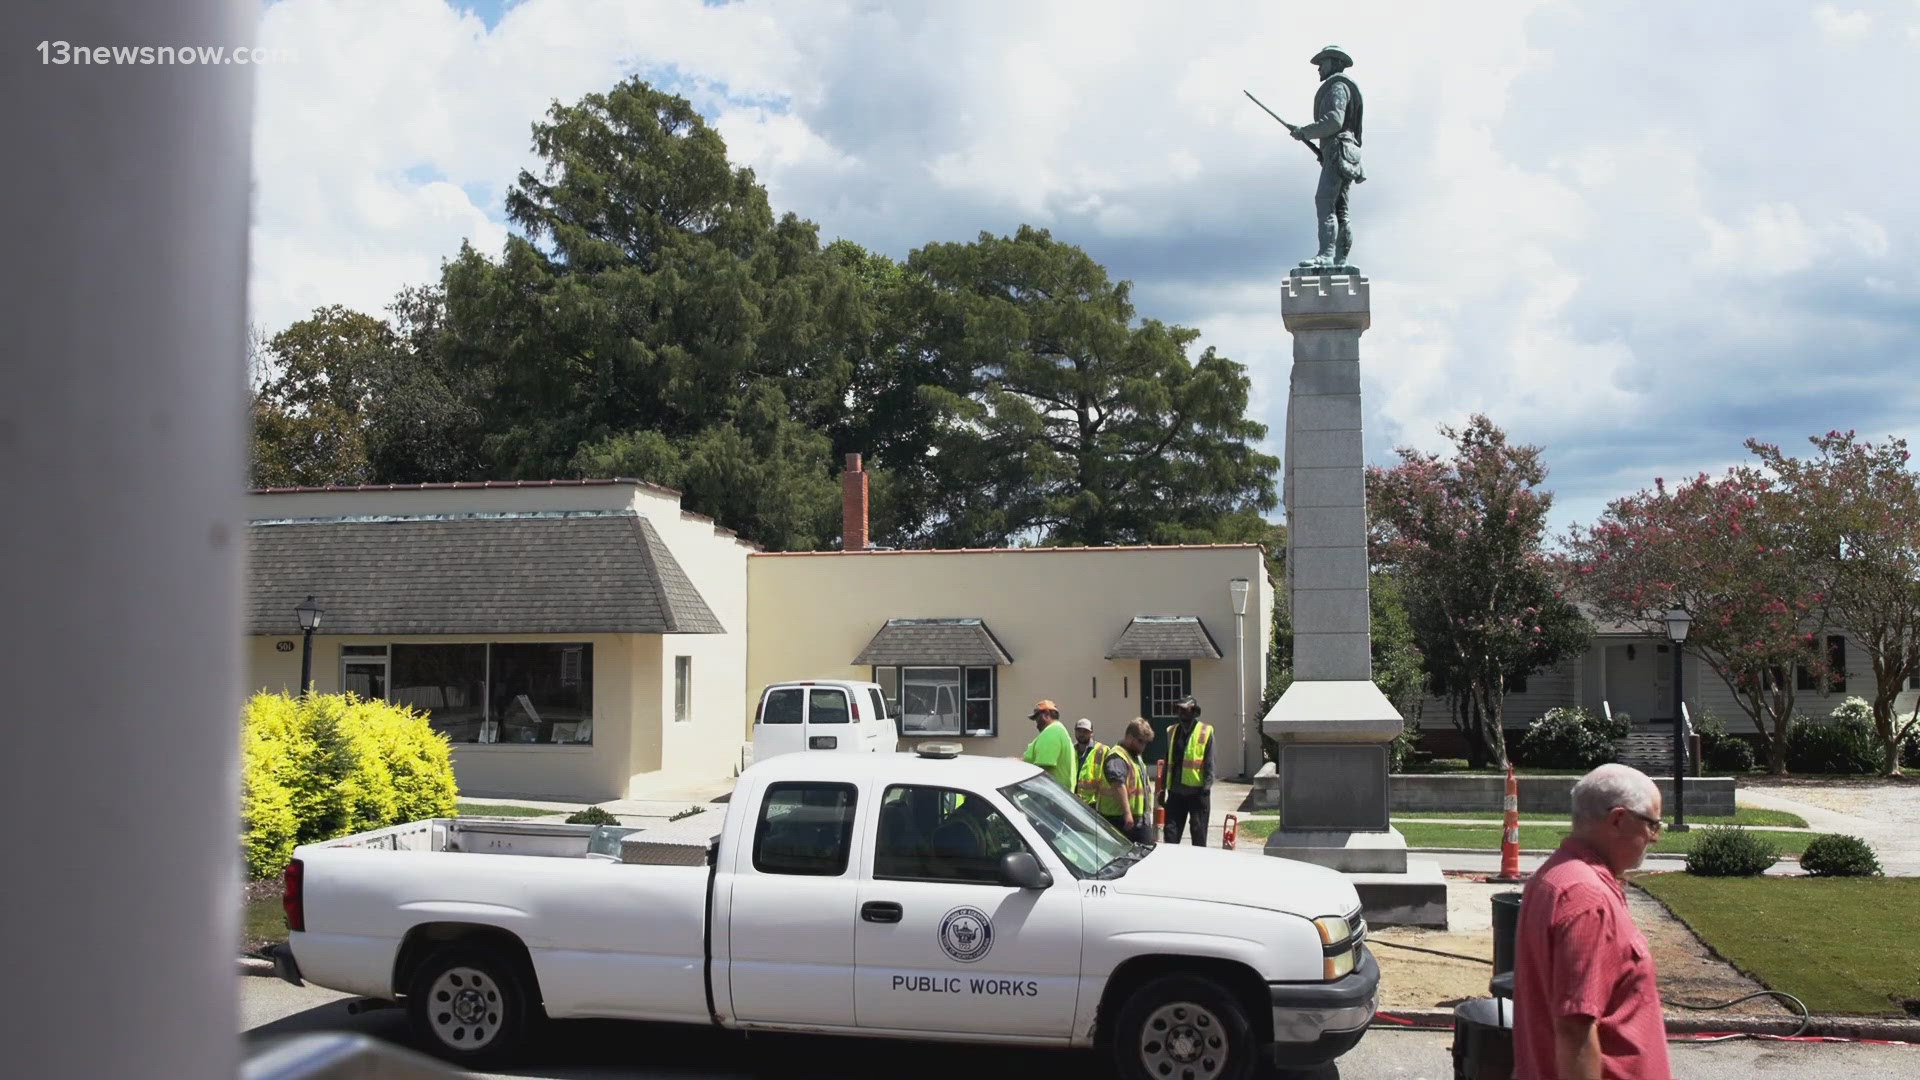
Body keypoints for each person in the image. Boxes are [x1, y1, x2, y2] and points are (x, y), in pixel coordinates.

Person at [1512, 764, 1671, 1080]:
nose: (1655, 838)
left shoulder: (1556, 876)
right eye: (1653, 825)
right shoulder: (1587, 897)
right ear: (1618, 820)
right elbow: (1575, 1029)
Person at [1289, 45, 1364, 270]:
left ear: (1335, 63)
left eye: (1323, 63)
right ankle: (1341, 260)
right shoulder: (1340, 86)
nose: (1319, 68)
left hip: (1338, 150)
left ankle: (1327, 255)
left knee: (1325, 201)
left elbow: (1334, 121)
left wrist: (1305, 131)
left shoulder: (1337, 87)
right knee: (1340, 208)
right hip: (1341, 151)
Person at [1160, 696, 1214, 846]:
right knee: (1171, 834)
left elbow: (1209, 763)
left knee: (1198, 834)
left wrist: (1206, 789)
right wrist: (1162, 789)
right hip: (1176, 793)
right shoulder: (1171, 731)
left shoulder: (1205, 731)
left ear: (1194, 712)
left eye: (1185, 710)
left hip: (1197, 793)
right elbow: (1167, 761)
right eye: (1179, 709)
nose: (1181, 713)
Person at [1096, 718, 1154, 844]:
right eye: (1140, 741)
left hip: (1137, 818)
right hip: (1120, 820)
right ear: (1129, 737)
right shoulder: (1117, 757)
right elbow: (1118, 785)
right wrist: (1127, 813)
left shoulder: (1135, 756)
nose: (1143, 746)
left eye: (1145, 742)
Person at [1020, 699, 1077, 792]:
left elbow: (1040, 771)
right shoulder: (1058, 730)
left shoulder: (1051, 732)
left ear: (1046, 715)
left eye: (1037, 718)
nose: (1036, 724)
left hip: (1051, 798)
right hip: (1058, 796)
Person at [1072, 719, 1108, 807]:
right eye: (1079, 731)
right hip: (1074, 800)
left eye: (1085, 731)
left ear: (1091, 733)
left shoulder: (1101, 750)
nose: (1082, 734)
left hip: (1094, 803)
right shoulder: (1071, 750)